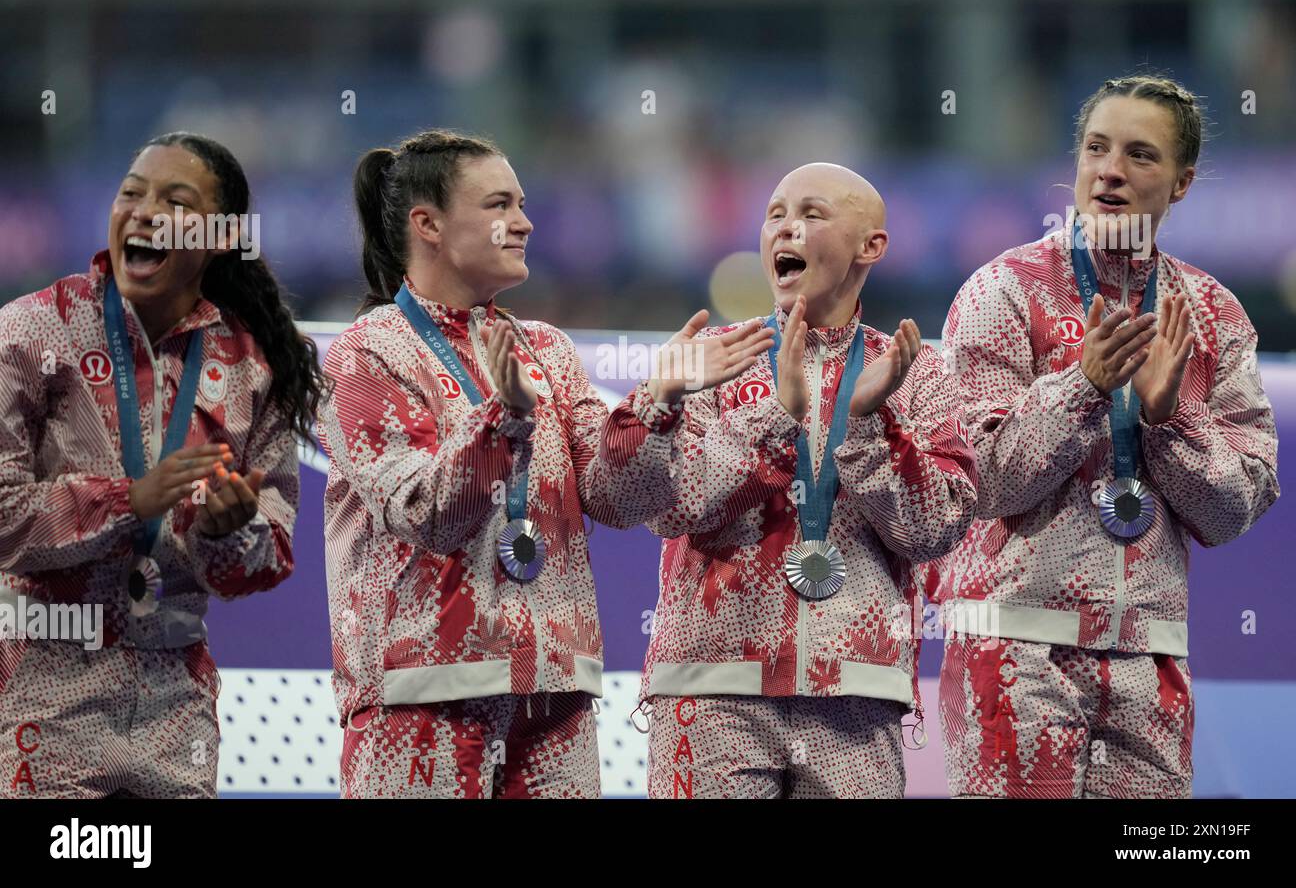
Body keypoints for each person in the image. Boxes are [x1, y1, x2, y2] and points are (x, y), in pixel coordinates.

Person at [320, 129, 772, 798]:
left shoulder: (547, 351)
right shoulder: (365, 354)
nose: (525, 221)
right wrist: (500, 420)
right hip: (421, 693)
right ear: (429, 225)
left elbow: (617, 499)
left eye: (524, 202)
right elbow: (423, 511)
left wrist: (658, 400)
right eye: (500, 203)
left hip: (553, 691)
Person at [934, 75, 1281, 798]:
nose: (1111, 171)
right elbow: (984, 480)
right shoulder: (1002, 290)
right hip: (1014, 644)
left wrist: (1168, 422)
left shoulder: (1214, 313)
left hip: (1149, 656)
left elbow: (1232, 510)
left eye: (1139, 155)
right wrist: (1083, 387)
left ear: (1181, 184)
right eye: (1096, 148)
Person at [637, 162, 978, 798]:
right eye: (774, 215)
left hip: (856, 693)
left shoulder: (917, 374)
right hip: (713, 691)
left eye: (812, 215)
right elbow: (671, 505)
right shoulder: (715, 359)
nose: (786, 229)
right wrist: (772, 418)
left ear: (870, 245)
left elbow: (934, 529)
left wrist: (869, 424)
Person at [0, 131, 323, 797]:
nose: (144, 211)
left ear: (220, 236)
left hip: (177, 722)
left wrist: (222, 531)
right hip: (40, 709)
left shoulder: (255, 367)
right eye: (131, 193)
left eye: (175, 201)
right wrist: (130, 501)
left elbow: (268, 558)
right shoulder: (30, 334)